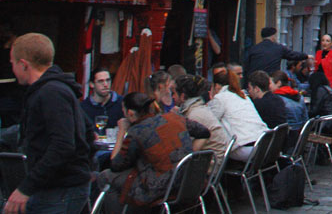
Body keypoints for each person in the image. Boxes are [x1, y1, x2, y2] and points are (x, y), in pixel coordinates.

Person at [5, 33, 91, 214]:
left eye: (12, 63)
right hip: (60, 187)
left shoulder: (50, 92)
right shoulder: (57, 89)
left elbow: (63, 145)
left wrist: (25, 188)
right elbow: (89, 130)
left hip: (59, 190)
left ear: (23, 64)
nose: (12, 68)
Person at [96, 92, 210, 214]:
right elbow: (204, 132)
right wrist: (189, 155)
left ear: (130, 113)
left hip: (160, 187)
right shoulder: (174, 118)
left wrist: (121, 131)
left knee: (105, 176)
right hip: (188, 181)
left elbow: (116, 165)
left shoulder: (137, 132)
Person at [206, 66, 268, 161]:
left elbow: (209, 123)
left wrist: (211, 100)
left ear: (217, 86)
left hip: (245, 148)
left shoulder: (220, 98)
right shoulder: (243, 96)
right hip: (264, 144)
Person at [173, 75, 230, 165]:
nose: (173, 97)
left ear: (182, 96)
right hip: (215, 160)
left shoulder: (194, 114)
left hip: (210, 165)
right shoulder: (198, 108)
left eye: (174, 93)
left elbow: (186, 148)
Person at [243, 27, 309, 77]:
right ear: (273, 36)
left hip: (255, 78)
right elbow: (292, 55)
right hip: (270, 78)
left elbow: (246, 65)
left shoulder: (253, 48)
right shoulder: (278, 48)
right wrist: (306, 56)